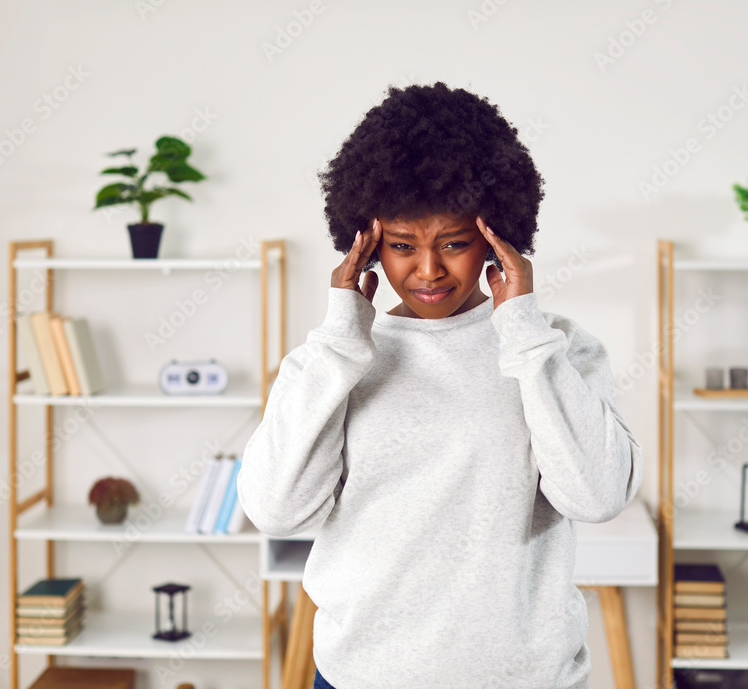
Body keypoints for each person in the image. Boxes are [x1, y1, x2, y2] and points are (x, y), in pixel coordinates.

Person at [237, 81, 644, 689]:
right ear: (366, 244)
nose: (427, 271)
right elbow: (277, 510)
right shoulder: (329, 362)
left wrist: (524, 331)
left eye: (453, 243)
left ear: (496, 237)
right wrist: (343, 339)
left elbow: (598, 497)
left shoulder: (554, 349)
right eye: (402, 247)